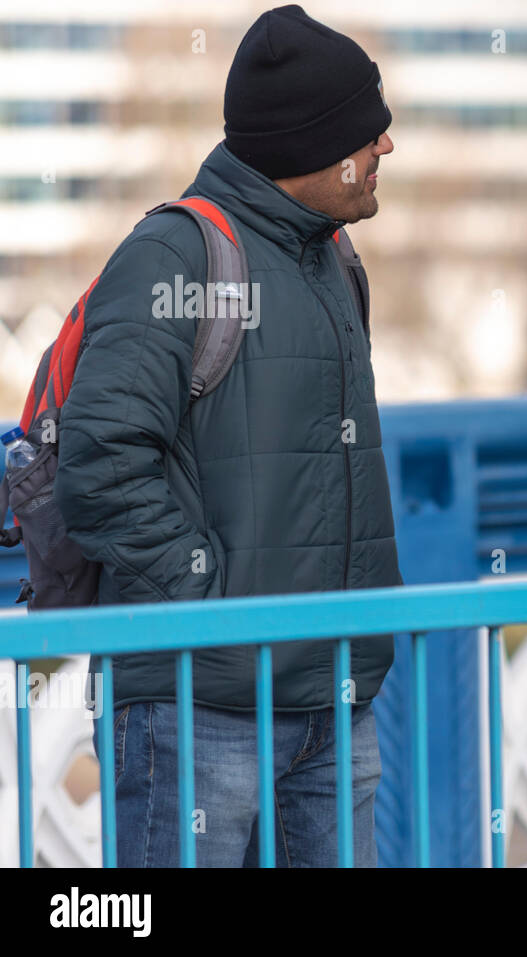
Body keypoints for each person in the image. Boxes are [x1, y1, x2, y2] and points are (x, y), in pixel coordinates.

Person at [56, 4, 402, 867]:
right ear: (307, 147)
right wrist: (214, 602)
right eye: (369, 131)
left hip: (334, 705)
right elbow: (100, 462)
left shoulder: (333, 261)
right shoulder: (174, 256)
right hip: (195, 709)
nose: (385, 149)